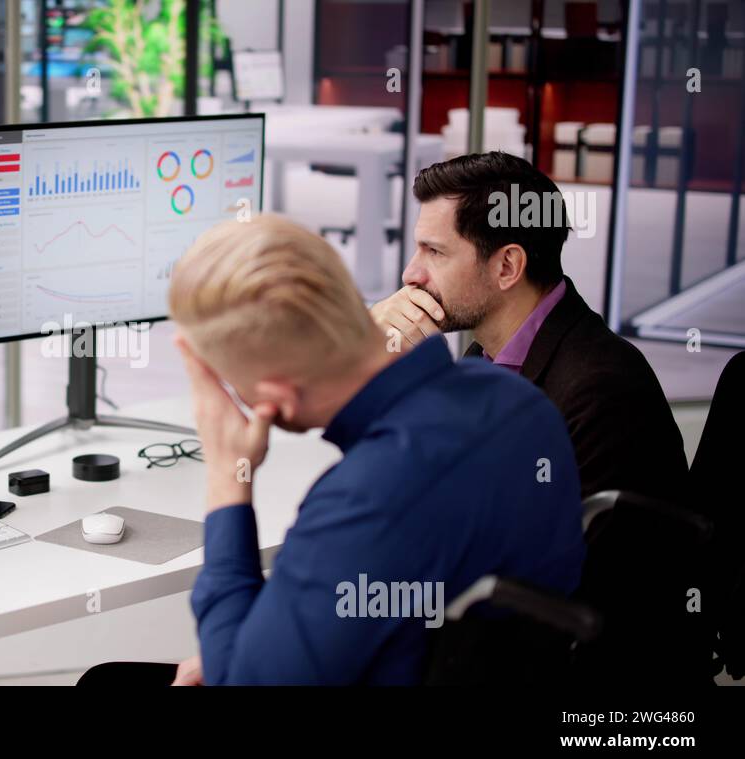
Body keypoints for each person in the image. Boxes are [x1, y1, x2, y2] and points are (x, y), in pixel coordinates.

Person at [80, 214, 584, 686]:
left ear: (274, 401)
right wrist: (254, 645)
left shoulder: (365, 500)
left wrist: (226, 480)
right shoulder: (517, 399)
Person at [369, 152, 687, 503]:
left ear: (507, 266)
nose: (410, 274)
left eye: (435, 252)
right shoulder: (486, 359)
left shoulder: (602, 393)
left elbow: (496, 534)